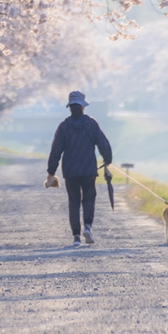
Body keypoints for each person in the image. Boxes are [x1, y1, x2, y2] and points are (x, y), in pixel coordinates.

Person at [47, 91, 112, 247]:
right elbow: (102, 142)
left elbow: (56, 150)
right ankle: (87, 227)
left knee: (74, 202)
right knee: (89, 199)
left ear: (70, 107)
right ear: (83, 107)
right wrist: (107, 159)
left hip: (70, 170)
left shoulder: (64, 126)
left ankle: (76, 237)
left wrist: (51, 171)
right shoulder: (91, 124)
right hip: (88, 168)